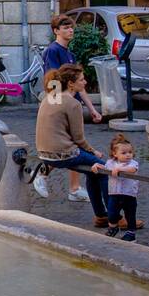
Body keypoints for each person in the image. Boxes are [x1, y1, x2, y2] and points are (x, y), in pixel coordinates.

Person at [35, 63, 110, 227]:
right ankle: (114, 217)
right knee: (104, 169)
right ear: (71, 83)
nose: (85, 83)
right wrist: (93, 152)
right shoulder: (73, 103)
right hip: (63, 154)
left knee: (93, 172)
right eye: (82, 80)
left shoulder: (50, 97)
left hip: (43, 153)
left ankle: (101, 216)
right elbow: (79, 139)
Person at [43, 14, 102, 201]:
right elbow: (51, 79)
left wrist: (92, 108)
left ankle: (74, 188)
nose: (70, 30)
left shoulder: (70, 53)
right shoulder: (52, 51)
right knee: (64, 145)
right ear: (56, 31)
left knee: (71, 145)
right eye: (66, 27)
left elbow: (80, 85)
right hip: (61, 106)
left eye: (71, 28)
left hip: (71, 105)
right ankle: (42, 175)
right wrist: (55, 104)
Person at [104, 134, 144, 240]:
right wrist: (97, 166)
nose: (128, 155)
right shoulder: (110, 163)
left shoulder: (133, 163)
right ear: (114, 154)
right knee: (112, 213)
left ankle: (131, 233)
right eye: (124, 153)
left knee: (130, 215)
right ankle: (113, 227)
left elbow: (132, 170)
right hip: (114, 194)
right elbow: (105, 168)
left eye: (130, 152)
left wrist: (121, 170)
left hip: (129, 194)